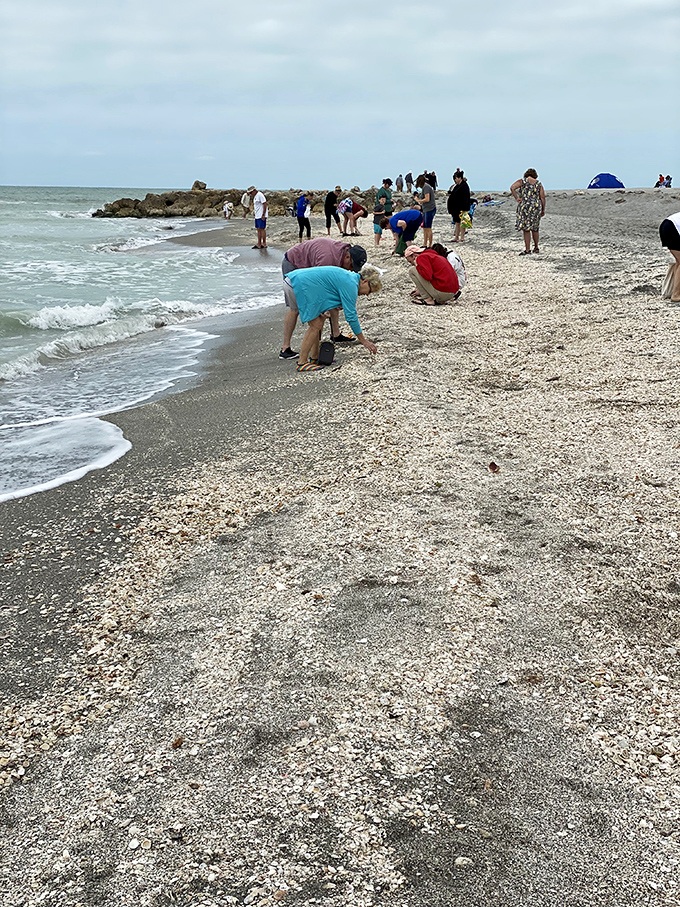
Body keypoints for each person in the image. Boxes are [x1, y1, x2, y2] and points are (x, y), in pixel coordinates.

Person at [279, 238, 368, 358]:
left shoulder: (342, 255)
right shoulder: (328, 258)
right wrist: (322, 311)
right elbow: (319, 290)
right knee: (296, 310)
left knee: (332, 302)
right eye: (352, 266)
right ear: (347, 257)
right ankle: (286, 348)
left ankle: (335, 335)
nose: (351, 270)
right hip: (294, 264)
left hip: (307, 274)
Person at [285, 265, 381, 372]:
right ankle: (302, 362)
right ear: (365, 281)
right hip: (298, 284)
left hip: (294, 282)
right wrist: (364, 341)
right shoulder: (351, 284)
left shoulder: (349, 277)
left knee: (318, 321)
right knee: (315, 325)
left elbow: (328, 291)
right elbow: (351, 316)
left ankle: (314, 358)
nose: (367, 295)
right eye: (369, 291)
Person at [510, 168, 546, 255]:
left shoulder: (522, 181)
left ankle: (527, 249)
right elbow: (542, 197)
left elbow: (512, 188)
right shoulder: (538, 184)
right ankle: (536, 247)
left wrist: (517, 198)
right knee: (535, 228)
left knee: (526, 229)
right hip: (535, 206)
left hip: (525, 206)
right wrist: (543, 209)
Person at [659, 211, 680, 302]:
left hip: (666, 225)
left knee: (679, 262)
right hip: (672, 228)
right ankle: (676, 295)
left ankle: (674, 291)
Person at [446, 170, 472, 243]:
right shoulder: (457, 186)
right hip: (456, 208)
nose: (455, 180)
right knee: (457, 222)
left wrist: (464, 208)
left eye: (456, 178)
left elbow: (465, 198)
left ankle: (462, 237)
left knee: (463, 223)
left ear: (459, 178)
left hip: (462, 208)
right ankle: (456, 237)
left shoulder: (464, 186)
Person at [415, 174, 436, 248]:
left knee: (428, 227)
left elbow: (427, 199)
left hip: (429, 209)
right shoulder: (425, 187)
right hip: (426, 209)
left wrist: (419, 200)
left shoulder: (426, 187)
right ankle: (425, 244)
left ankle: (430, 244)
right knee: (425, 227)